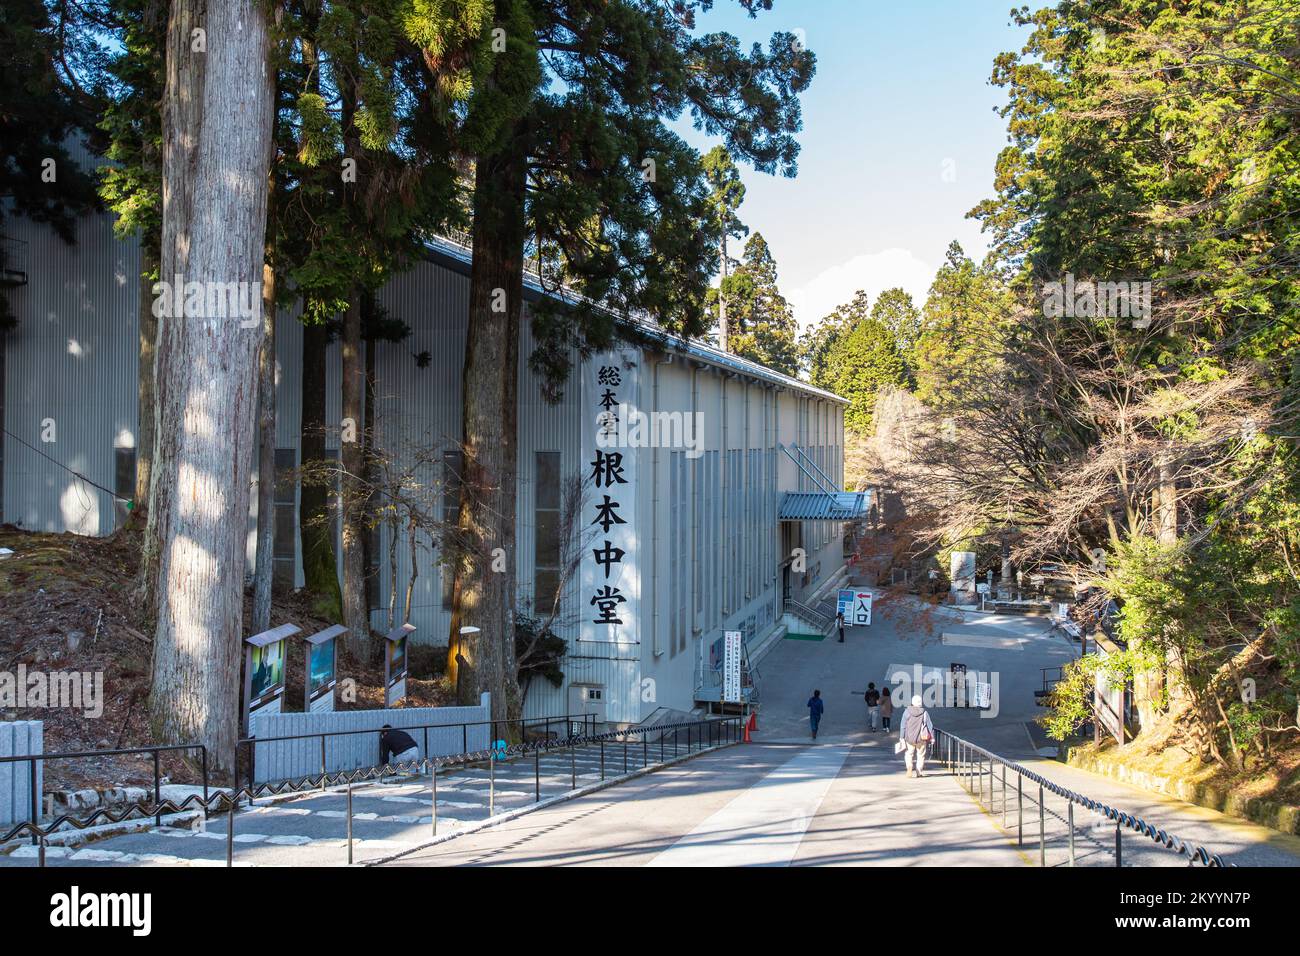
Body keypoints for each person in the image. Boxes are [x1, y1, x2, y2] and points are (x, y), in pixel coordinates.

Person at [898, 694, 934, 778]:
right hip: (921, 738)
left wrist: (901, 737)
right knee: (921, 755)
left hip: (909, 738)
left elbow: (903, 725)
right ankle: (919, 771)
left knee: (908, 754)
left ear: (912, 702)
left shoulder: (907, 712)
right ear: (920, 703)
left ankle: (909, 767)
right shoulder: (924, 713)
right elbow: (930, 726)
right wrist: (932, 737)